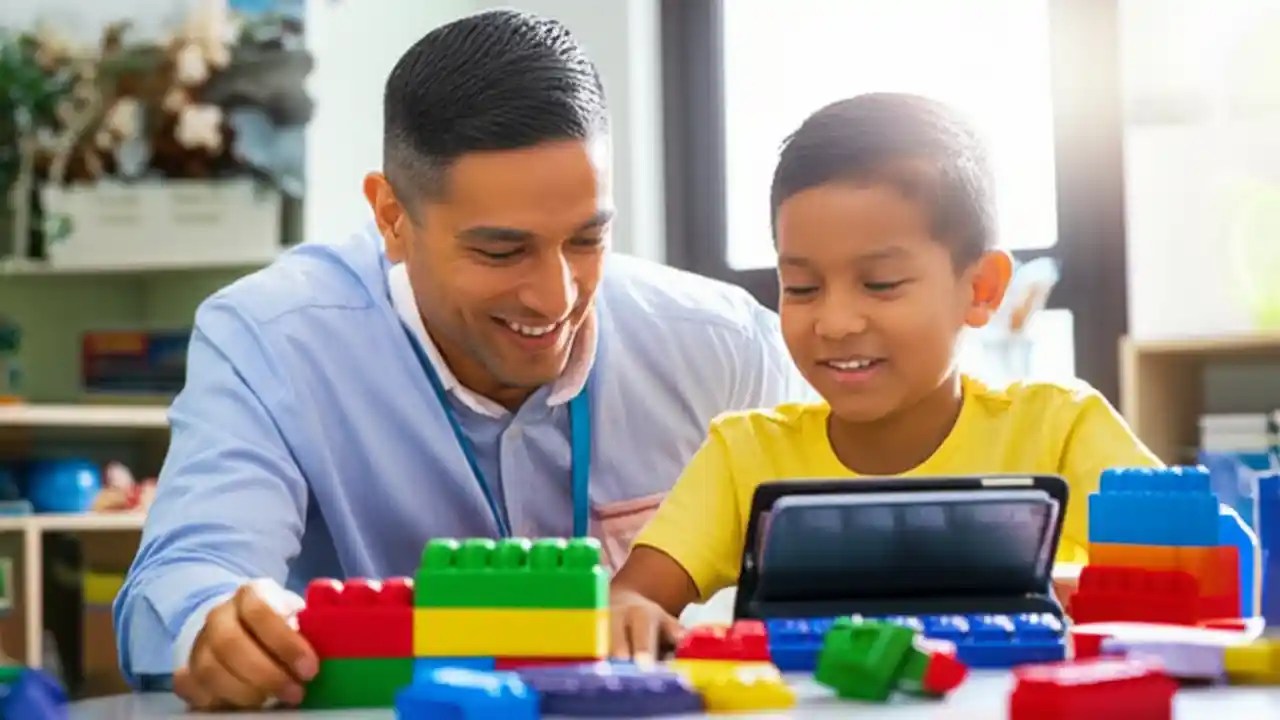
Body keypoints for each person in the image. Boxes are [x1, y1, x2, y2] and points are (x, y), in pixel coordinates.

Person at [113, 9, 811, 710]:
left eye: (586, 239)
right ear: (390, 216)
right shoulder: (270, 339)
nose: (555, 296)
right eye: (501, 251)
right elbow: (186, 577)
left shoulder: (726, 346)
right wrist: (216, 624)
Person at [608, 93, 1163, 659]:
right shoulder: (743, 455)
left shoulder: (1060, 428)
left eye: (880, 283)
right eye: (802, 288)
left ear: (981, 289)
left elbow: (1210, 573)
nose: (836, 322)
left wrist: (1093, 590)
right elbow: (633, 596)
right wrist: (631, 612)